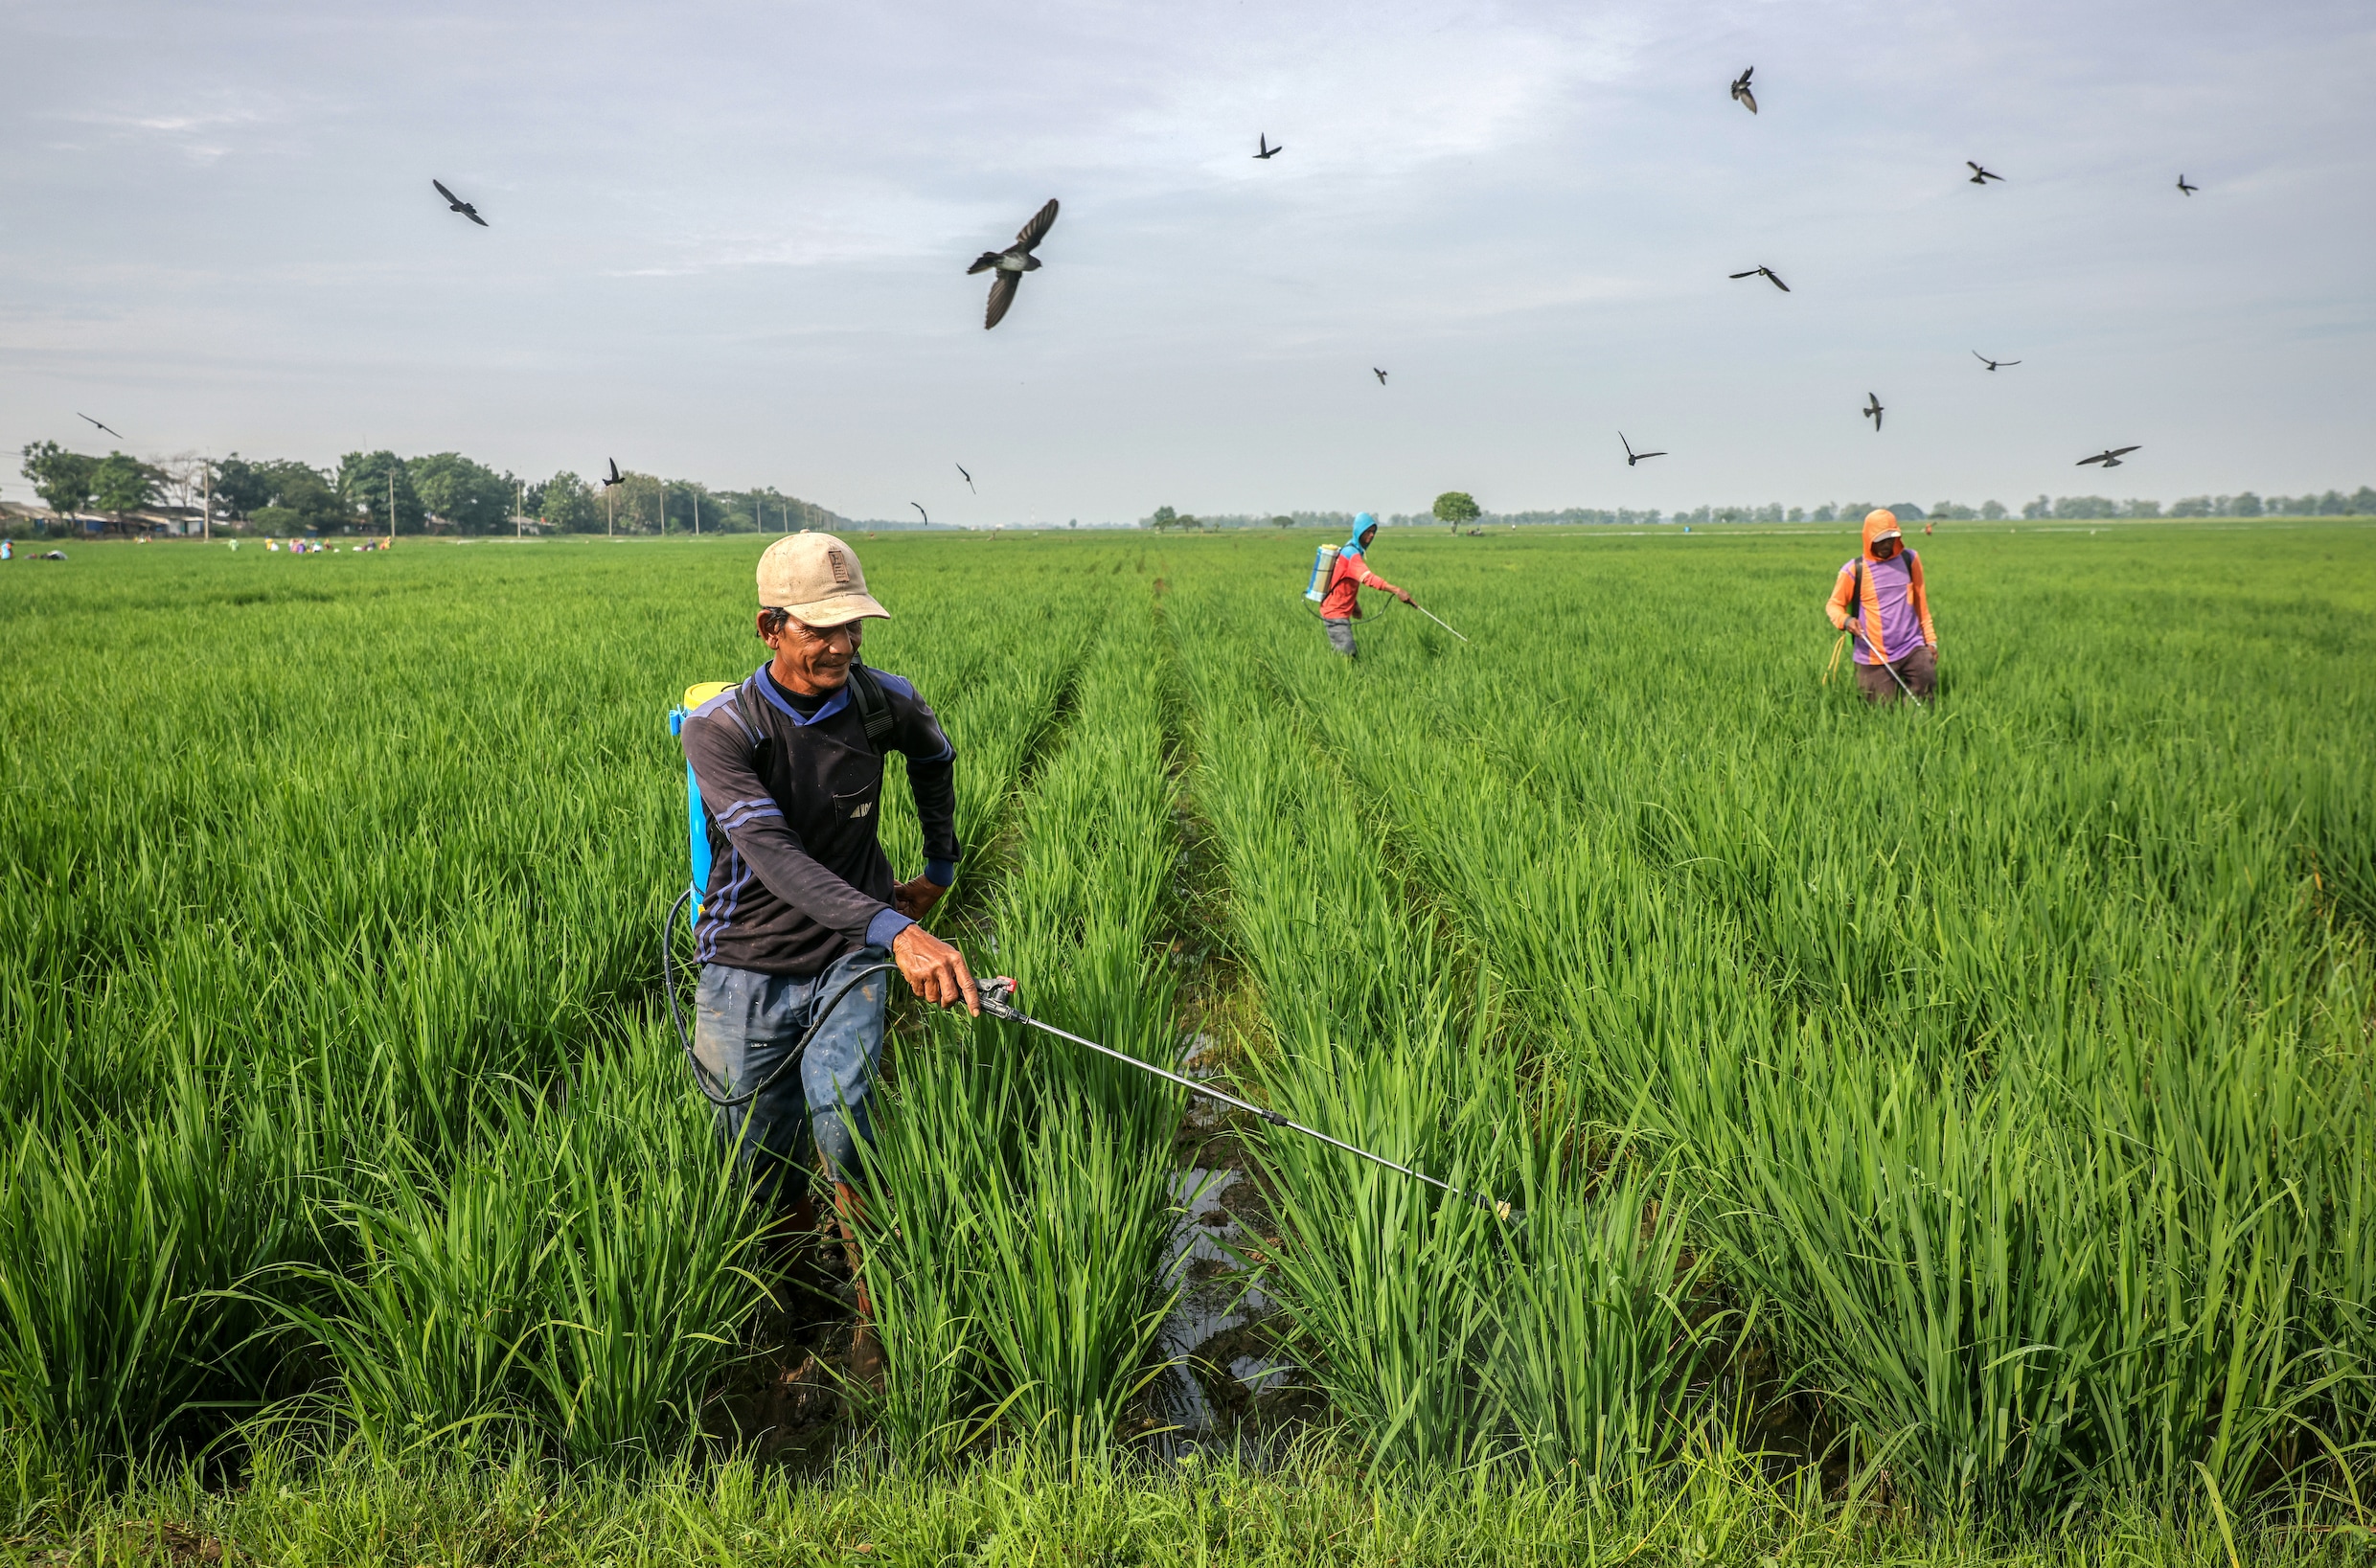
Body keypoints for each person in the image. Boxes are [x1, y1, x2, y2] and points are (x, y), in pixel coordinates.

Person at [676, 532, 979, 1383]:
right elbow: (774, 856)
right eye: (821, 628)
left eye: (853, 626)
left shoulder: (884, 701)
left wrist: (940, 867)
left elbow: (936, 760)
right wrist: (899, 931)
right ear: (770, 627)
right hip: (746, 960)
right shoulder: (721, 730)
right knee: (755, 1151)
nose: (843, 645)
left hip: (850, 952)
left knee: (845, 1130)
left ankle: (873, 1313)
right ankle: (793, 1292)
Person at [1826, 509, 1937, 703]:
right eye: (1880, 540)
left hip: (1912, 646)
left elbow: (1921, 604)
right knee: (1881, 710)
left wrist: (1931, 641)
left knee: (1925, 687)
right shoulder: (1854, 570)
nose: (1886, 544)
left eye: (1891, 538)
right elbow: (1834, 605)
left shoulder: (1910, 560)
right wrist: (1846, 620)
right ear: (1868, 538)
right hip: (1873, 654)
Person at [1315, 512, 1411, 658]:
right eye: (1367, 531)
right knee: (1348, 655)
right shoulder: (1351, 554)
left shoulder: (1349, 549)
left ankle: (1335, 668)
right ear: (1358, 531)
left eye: (1373, 532)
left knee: (1342, 654)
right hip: (1335, 612)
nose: (1371, 535)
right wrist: (1397, 590)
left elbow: (1343, 581)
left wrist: (1354, 605)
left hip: (1336, 610)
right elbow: (1368, 578)